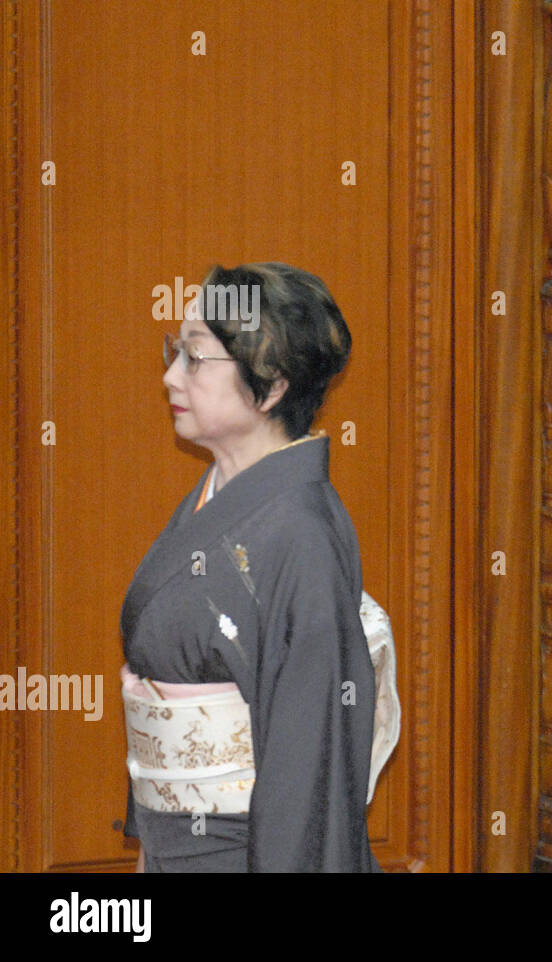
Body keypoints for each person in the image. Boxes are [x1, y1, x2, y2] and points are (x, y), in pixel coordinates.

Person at [121, 262, 381, 871]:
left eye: (194, 357)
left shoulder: (299, 536)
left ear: (272, 384)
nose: (170, 377)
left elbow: (306, 775)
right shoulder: (221, 497)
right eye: (174, 352)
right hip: (177, 847)